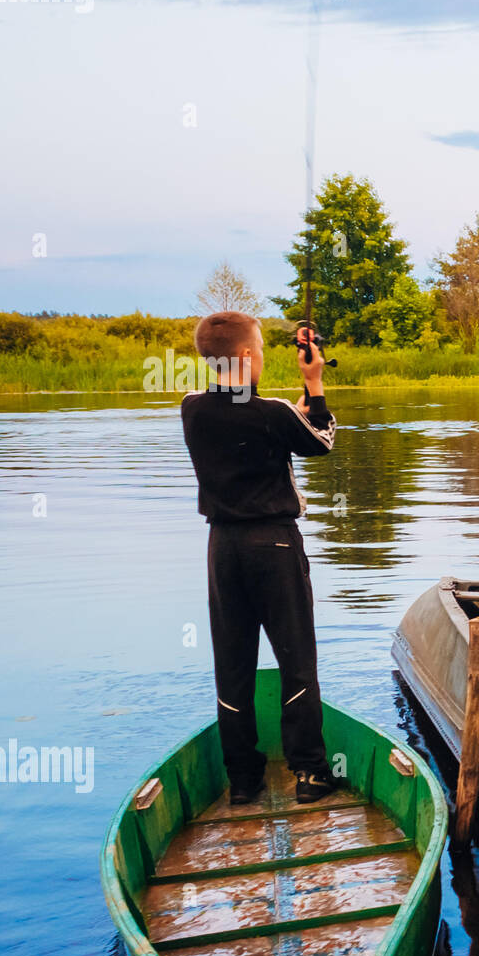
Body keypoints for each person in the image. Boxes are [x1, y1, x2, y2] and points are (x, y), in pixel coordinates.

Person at [181, 312, 338, 805]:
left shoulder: (191, 408)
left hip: (222, 549)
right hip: (273, 543)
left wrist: (292, 413)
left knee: (232, 664)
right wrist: (313, 383)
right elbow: (321, 444)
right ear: (247, 355)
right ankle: (310, 774)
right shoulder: (271, 411)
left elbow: (270, 425)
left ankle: (244, 782)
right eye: (262, 351)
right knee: (296, 660)